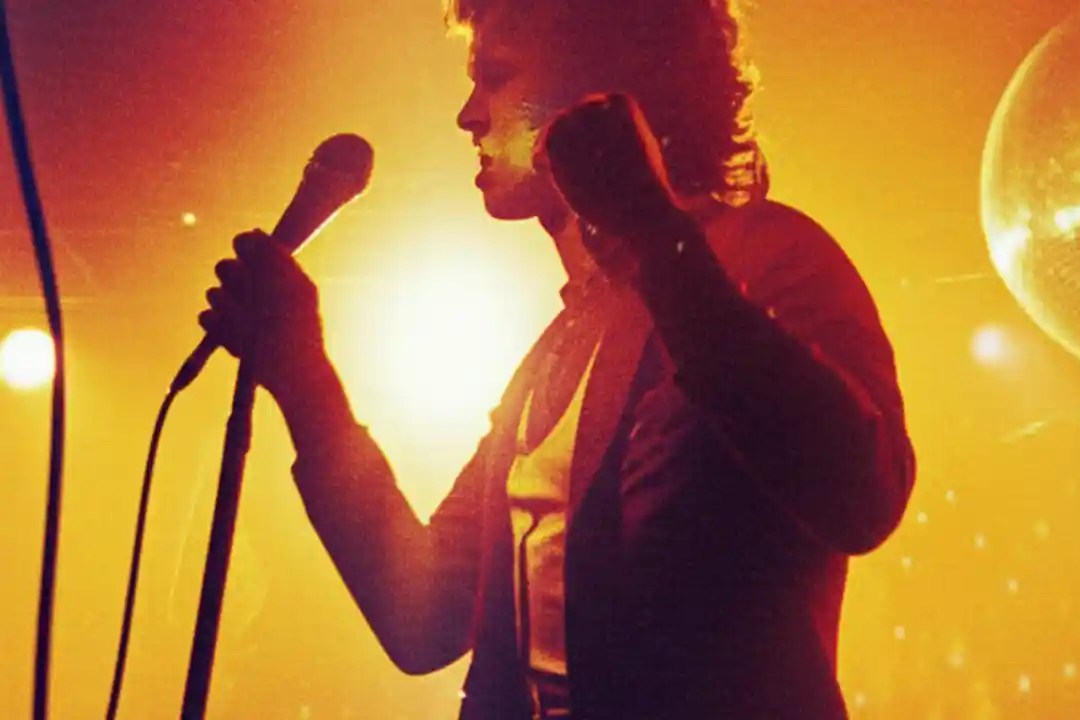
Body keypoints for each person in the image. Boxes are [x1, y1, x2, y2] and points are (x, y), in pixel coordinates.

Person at [198, 1, 915, 718]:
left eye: (497, 76)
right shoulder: (550, 358)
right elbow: (422, 615)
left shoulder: (772, 256)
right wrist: (304, 380)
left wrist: (653, 233)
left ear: (605, 85)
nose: (469, 116)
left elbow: (864, 494)